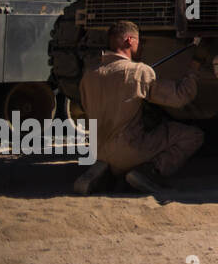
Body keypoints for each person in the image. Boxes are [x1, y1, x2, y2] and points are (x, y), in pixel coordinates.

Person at [72, 21, 204, 196]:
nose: (141, 46)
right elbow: (180, 97)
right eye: (139, 41)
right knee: (192, 136)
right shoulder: (139, 71)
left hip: (98, 150)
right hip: (130, 149)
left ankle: (105, 169)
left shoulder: (90, 74)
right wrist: (195, 65)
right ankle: (147, 173)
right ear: (129, 41)